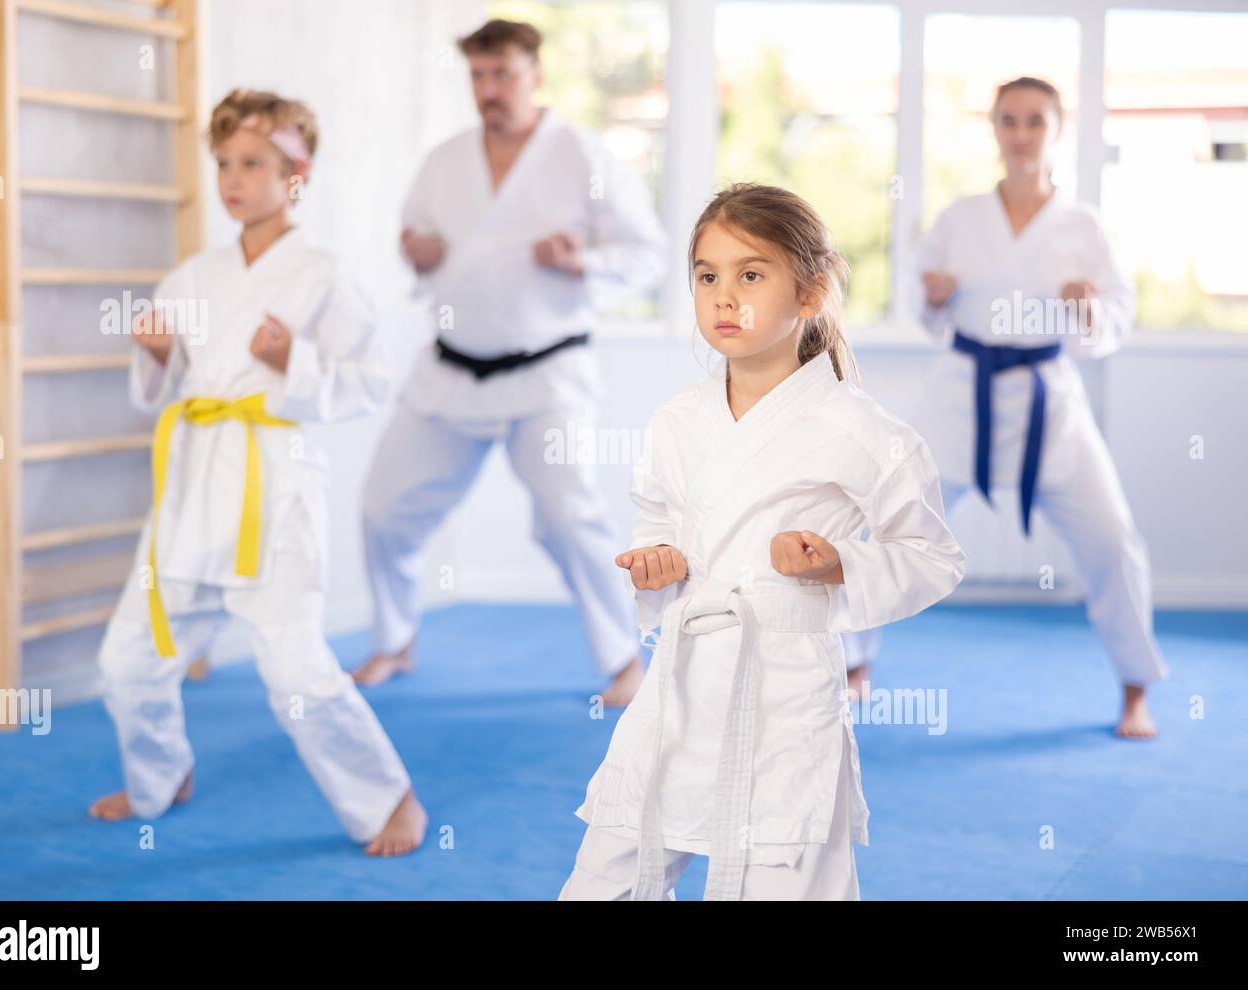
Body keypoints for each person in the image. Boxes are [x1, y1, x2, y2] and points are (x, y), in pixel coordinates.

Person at [558, 184, 966, 900]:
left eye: (751, 275)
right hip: (680, 690)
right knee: (604, 880)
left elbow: (934, 556)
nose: (724, 295)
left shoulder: (863, 430)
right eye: (707, 275)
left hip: (787, 697)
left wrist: (844, 563)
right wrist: (657, 563)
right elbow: (656, 521)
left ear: (809, 295)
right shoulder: (675, 420)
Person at [89, 89, 426, 856]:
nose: (233, 179)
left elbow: (370, 381)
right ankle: (160, 775)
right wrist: (156, 356)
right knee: (126, 659)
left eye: (253, 164)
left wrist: (293, 360)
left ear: (297, 173)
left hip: (273, 485)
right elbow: (173, 385)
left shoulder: (323, 275)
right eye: (223, 164)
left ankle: (388, 796)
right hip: (191, 485)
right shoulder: (193, 275)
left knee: (295, 672)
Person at [353, 19, 667, 706]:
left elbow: (649, 254)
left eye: (503, 74)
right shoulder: (444, 160)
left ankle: (625, 659)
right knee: (384, 509)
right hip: (450, 366)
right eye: (479, 76)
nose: (489, 90)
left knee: (567, 515)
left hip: (546, 372)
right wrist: (419, 251)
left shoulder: (581, 156)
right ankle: (395, 638)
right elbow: (416, 237)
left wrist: (580, 259)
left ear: (536, 76)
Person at [846, 77, 1167, 738]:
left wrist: (1088, 307)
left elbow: (1116, 321)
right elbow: (922, 308)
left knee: (1114, 539)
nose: (1021, 135)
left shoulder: (1082, 226)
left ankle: (1136, 686)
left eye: (1035, 122)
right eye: (1009, 121)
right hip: (963, 389)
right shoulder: (960, 218)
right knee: (889, 521)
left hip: (1050, 397)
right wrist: (934, 297)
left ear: (1056, 130)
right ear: (994, 129)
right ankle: (853, 664)